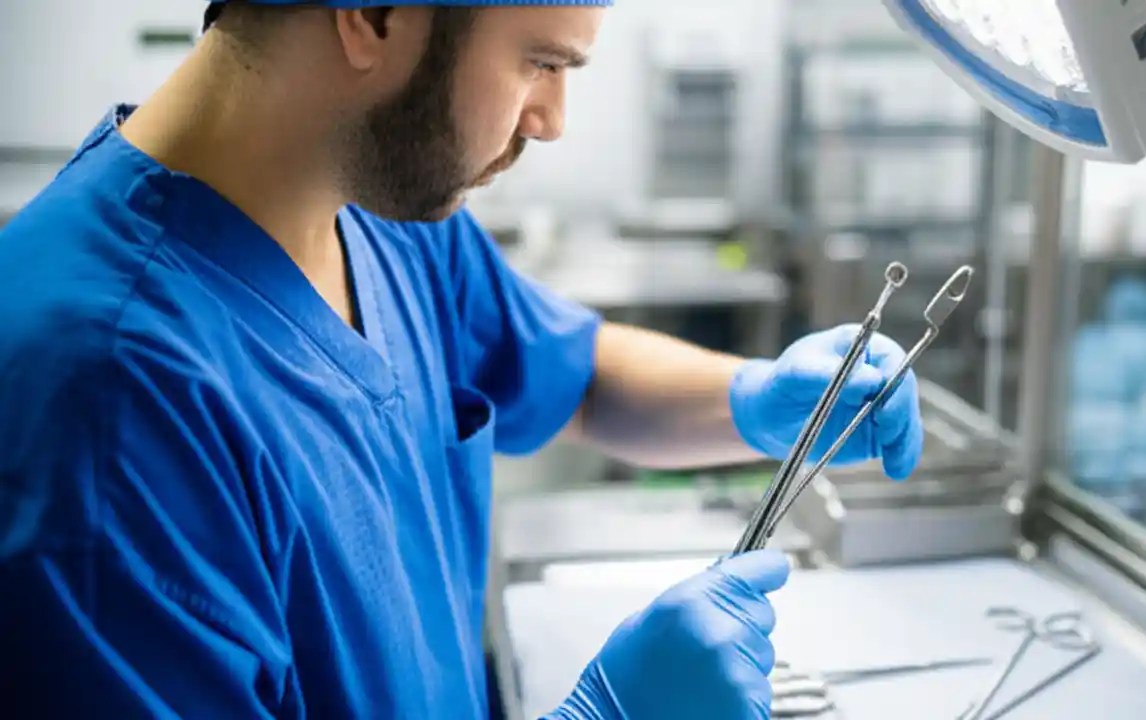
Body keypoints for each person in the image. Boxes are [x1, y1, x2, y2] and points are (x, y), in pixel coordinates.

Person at [0, 1, 924, 718]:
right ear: (371, 15)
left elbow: (577, 375)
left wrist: (762, 401)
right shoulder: (101, 404)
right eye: (541, 62)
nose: (554, 118)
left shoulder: (372, 208)